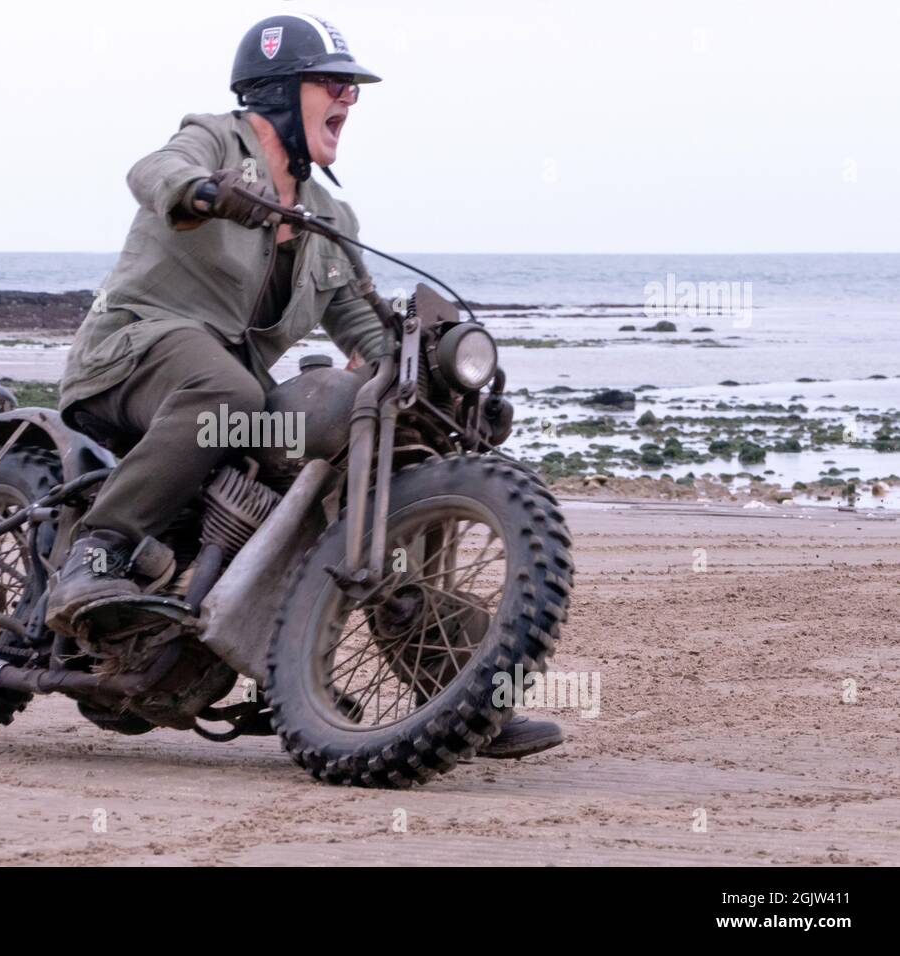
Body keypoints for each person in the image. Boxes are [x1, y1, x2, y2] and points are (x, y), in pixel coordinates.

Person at [49, 13, 563, 758]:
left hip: (226, 396)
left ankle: (457, 688)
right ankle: (94, 551)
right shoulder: (214, 140)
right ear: (279, 94)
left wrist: (443, 378)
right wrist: (202, 191)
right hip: (136, 352)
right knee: (231, 394)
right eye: (332, 85)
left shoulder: (326, 217)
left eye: (352, 89)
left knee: (349, 458)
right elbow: (151, 170)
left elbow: (365, 326)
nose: (348, 101)